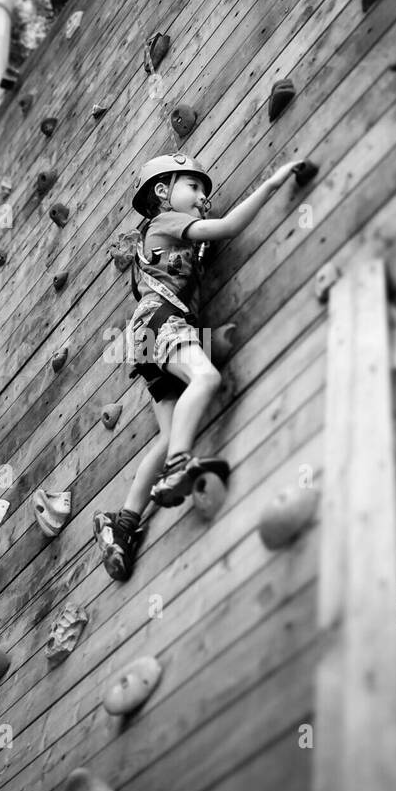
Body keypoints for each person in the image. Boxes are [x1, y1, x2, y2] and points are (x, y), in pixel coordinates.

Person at [92, 152, 304, 581]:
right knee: (205, 378)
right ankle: (177, 467)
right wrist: (273, 182)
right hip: (161, 323)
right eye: (194, 187)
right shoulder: (166, 222)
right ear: (163, 193)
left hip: (144, 336)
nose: (204, 196)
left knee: (170, 432)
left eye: (205, 191)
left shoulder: (170, 239)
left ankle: (124, 523)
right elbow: (227, 227)